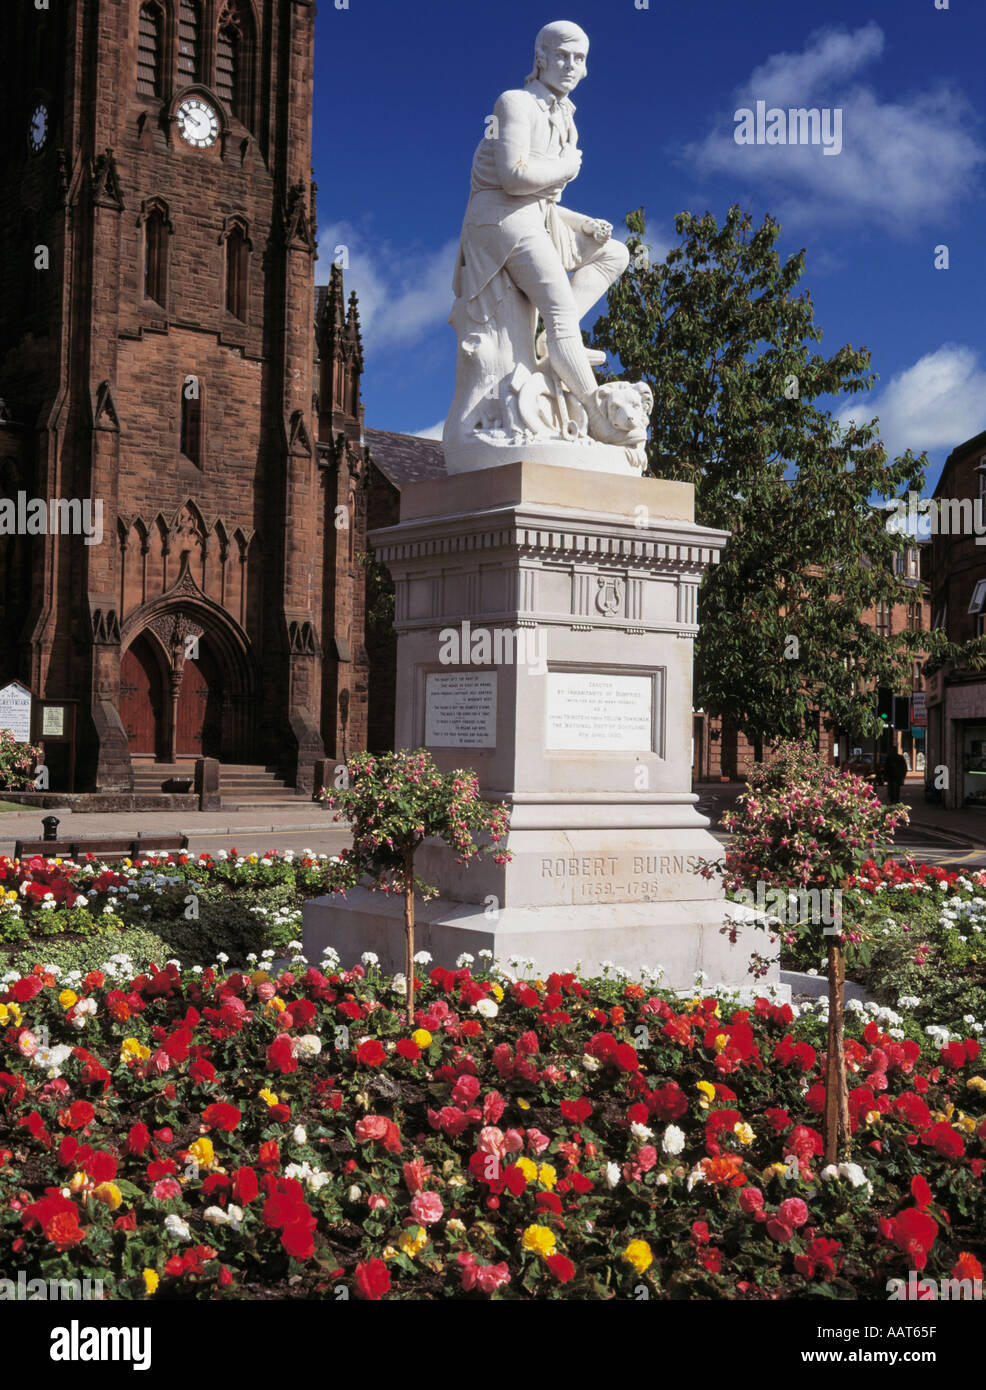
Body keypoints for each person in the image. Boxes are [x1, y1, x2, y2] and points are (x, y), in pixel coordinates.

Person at [450, 20, 632, 444]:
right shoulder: (514, 103)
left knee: (616, 254)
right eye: (563, 55)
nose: (571, 65)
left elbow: (543, 197)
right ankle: (595, 412)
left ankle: (556, 337)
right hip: (498, 220)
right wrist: (568, 167)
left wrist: (579, 222)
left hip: (538, 217)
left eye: (580, 58)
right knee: (560, 307)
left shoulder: (568, 120)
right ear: (541, 58)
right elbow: (514, 179)